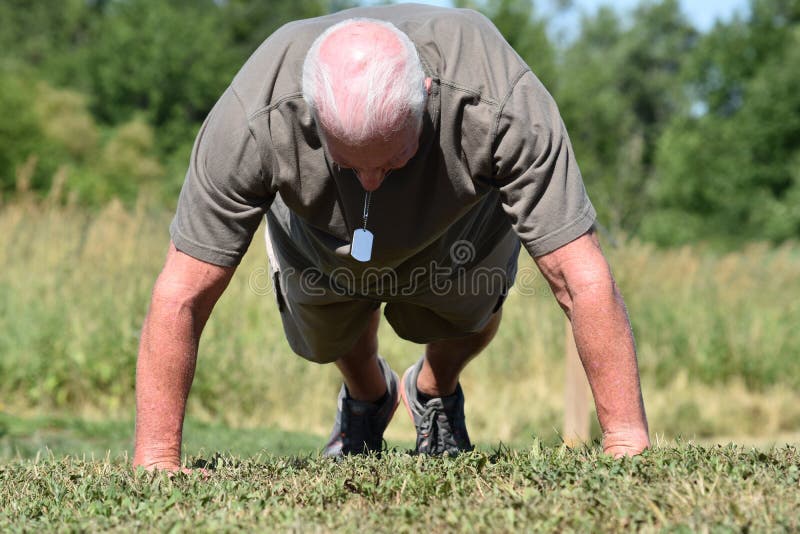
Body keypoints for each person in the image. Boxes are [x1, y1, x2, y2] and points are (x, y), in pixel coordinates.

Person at [132, 4, 650, 471]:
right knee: (324, 333)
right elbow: (182, 293)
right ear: (312, 114)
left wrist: (627, 443)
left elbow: (579, 277)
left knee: (469, 316)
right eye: (350, 162)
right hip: (321, 232)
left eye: (392, 158)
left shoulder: (500, 101)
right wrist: (157, 459)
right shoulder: (255, 116)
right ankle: (368, 397)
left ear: (424, 97)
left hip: (458, 223)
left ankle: (433, 390)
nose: (373, 181)